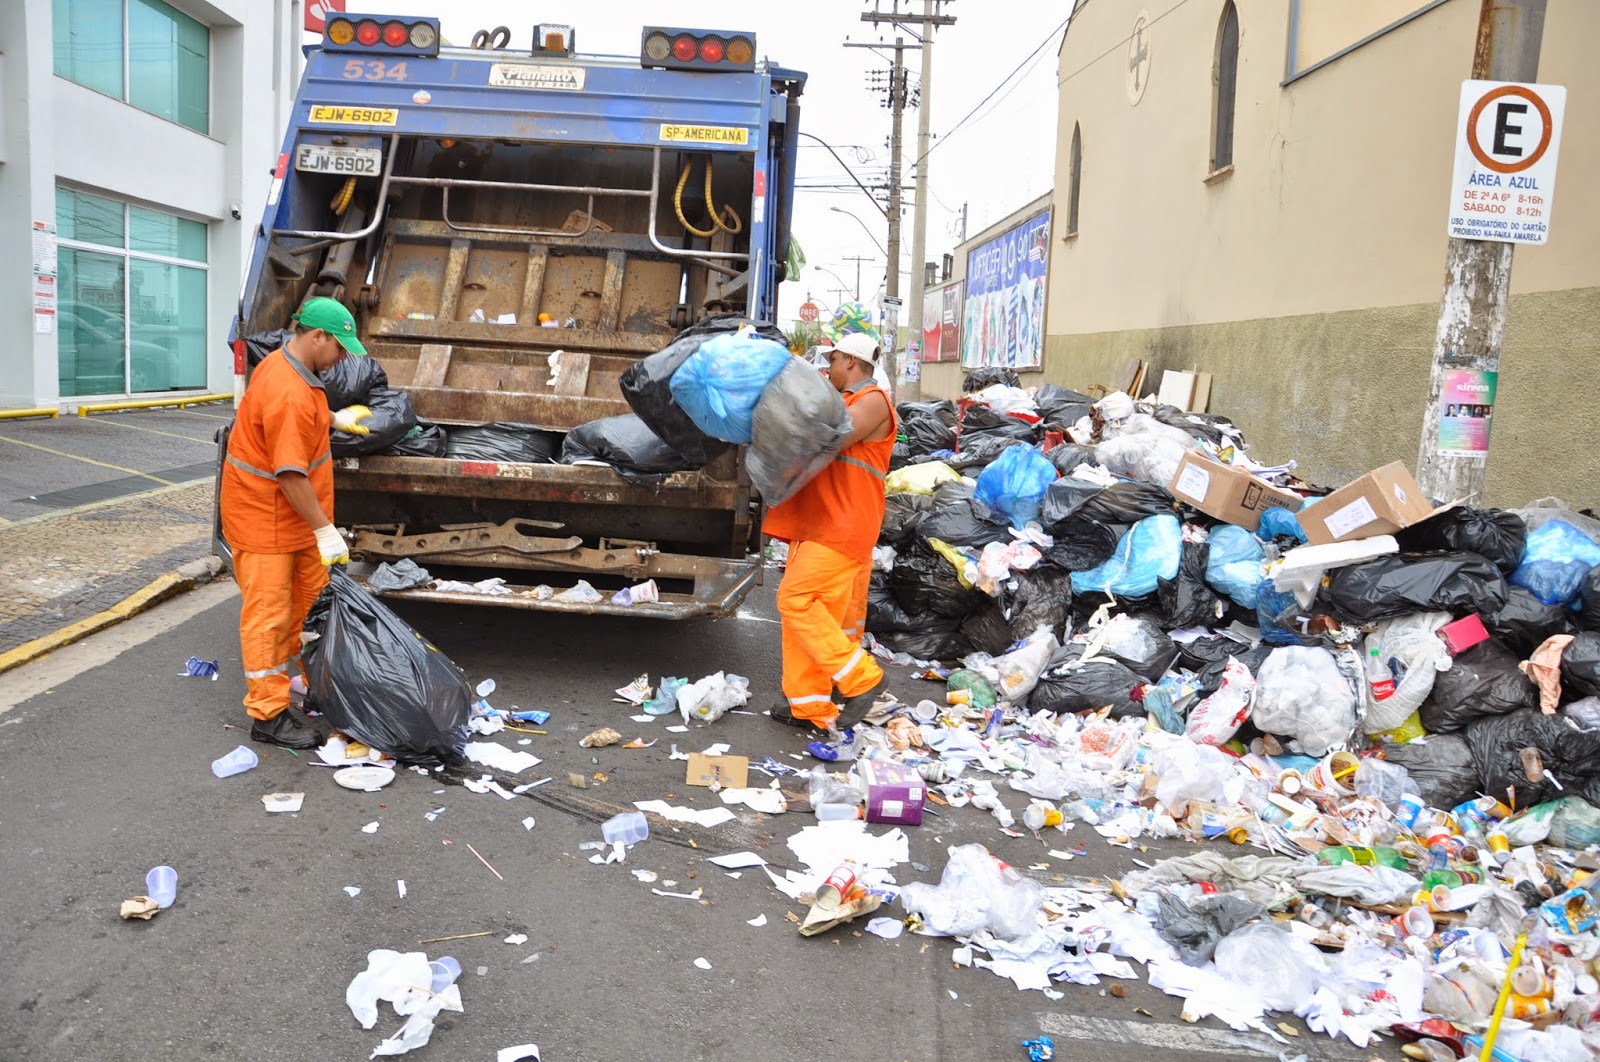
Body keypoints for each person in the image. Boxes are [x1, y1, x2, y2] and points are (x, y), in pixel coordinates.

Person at [219, 297, 373, 749]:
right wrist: (325, 530)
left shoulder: (292, 368)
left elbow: (300, 418)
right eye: (339, 347)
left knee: (309, 608)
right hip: (264, 520)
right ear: (317, 337)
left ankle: (314, 686)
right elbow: (290, 474)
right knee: (269, 618)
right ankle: (267, 715)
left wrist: (334, 418)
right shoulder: (287, 391)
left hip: (293, 519)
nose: (342, 357)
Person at [763, 331, 898, 732]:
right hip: (818, 523)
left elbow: (829, 437)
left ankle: (863, 679)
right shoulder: (843, 401)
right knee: (811, 616)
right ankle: (809, 706)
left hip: (843, 524)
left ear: (852, 362)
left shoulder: (873, 400)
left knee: (796, 600)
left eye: (833, 360)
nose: (829, 368)